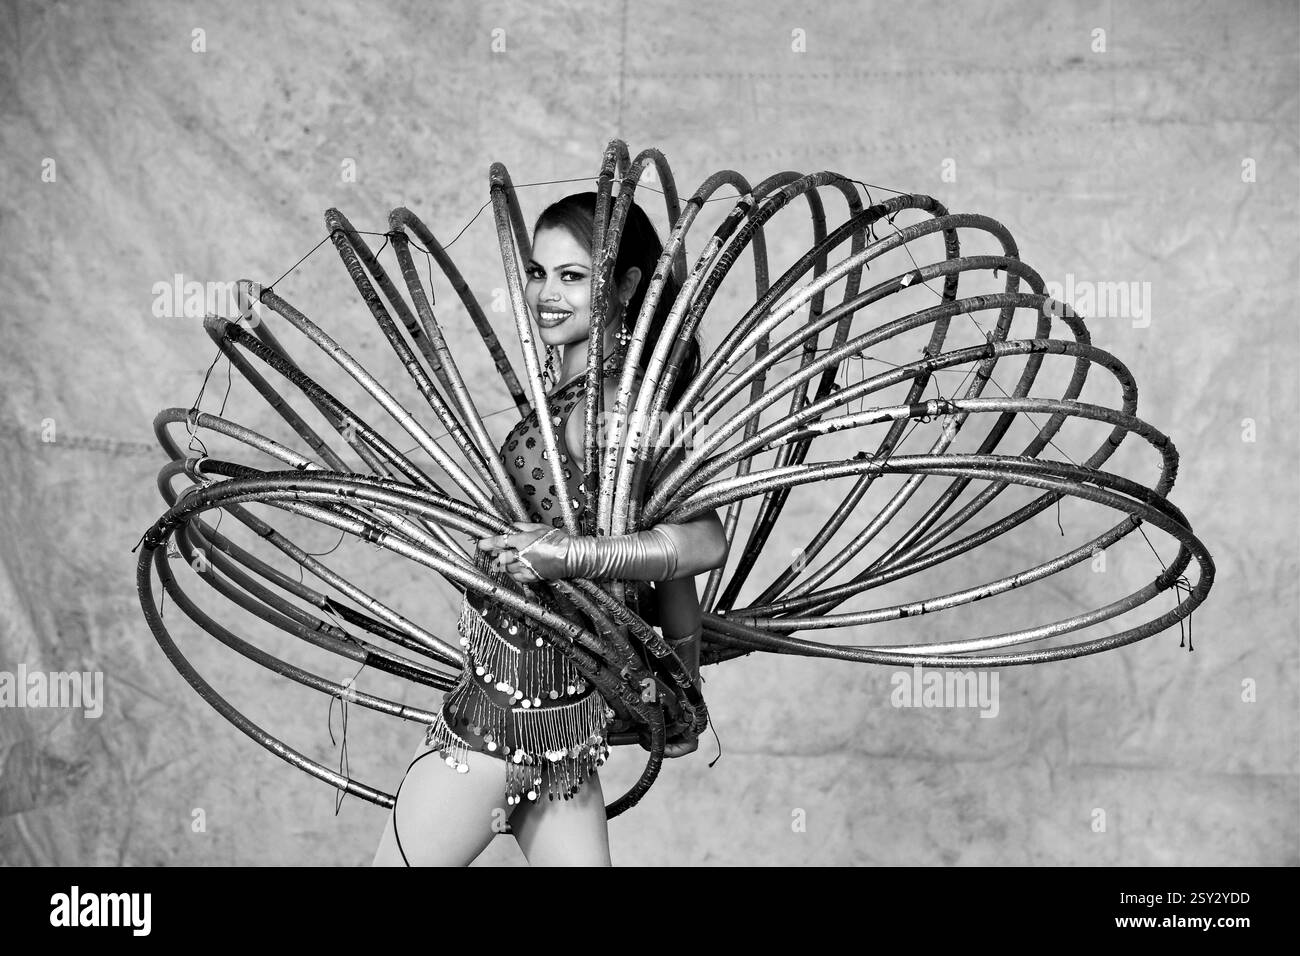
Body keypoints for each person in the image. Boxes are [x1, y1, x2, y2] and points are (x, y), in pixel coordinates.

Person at [370, 192, 728, 866]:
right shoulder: (584, 392)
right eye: (538, 273)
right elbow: (664, 547)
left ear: (625, 285)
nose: (546, 294)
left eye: (573, 277)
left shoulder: (617, 406)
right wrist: (682, 684)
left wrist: (569, 555)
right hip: (538, 728)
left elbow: (701, 542)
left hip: (519, 734)